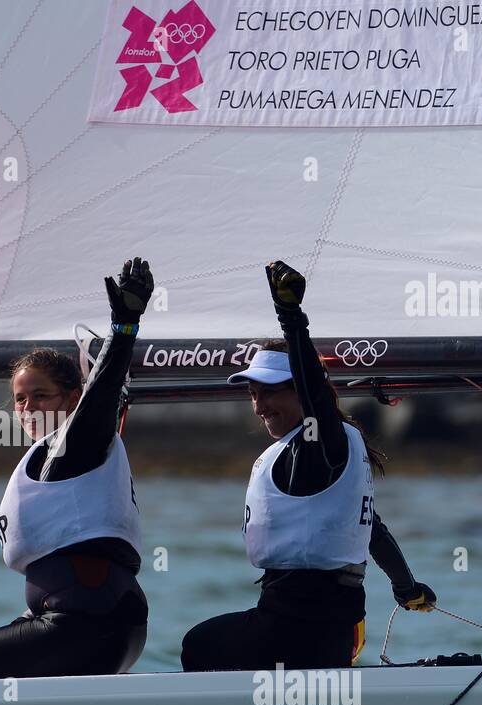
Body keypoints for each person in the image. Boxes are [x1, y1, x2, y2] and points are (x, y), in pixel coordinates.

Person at [182, 260, 435, 672]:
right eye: (252, 393)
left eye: (270, 393)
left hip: (298, 628)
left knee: (199, 645)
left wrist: (291, 318)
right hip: (331, 630)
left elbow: (316, 392)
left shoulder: (319, 442)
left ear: (302, 390)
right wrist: (407, 589)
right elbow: (374, 531)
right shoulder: (328, 450)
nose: (259, 406)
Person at [0, 258, 153, 679]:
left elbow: (102, 394)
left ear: (72, 399)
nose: (28, 407)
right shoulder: (58, 456)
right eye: (19, 399)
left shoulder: (76, 447)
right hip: (101, 625)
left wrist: (124, 325)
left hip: (86, 625)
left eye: (41, 395)